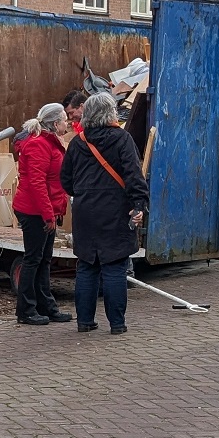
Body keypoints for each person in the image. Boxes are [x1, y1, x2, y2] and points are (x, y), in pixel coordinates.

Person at [61, 92, 149, 333]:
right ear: (110, 113)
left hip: (85, 212)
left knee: (87, 266)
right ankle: (117, 324)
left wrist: (83, 193)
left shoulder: (78, 143)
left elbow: (65, 180)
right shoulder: (122, 139)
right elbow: (134, 176)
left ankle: (85, 321)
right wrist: (138, 205)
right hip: (115, 211)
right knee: (114, 266)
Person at [12, 103, 72, 325]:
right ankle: (26, 310)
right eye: (65, 119)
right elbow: (37, 184)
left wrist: (56, 211)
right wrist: (49, 214)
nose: (67, 123)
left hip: (43, 210)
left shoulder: (50, 144)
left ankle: (45, 305)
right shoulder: (40, 145)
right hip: (33, 210)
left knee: (43, 260)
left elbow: (52, 183)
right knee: (34, 259)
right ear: (56, 124)